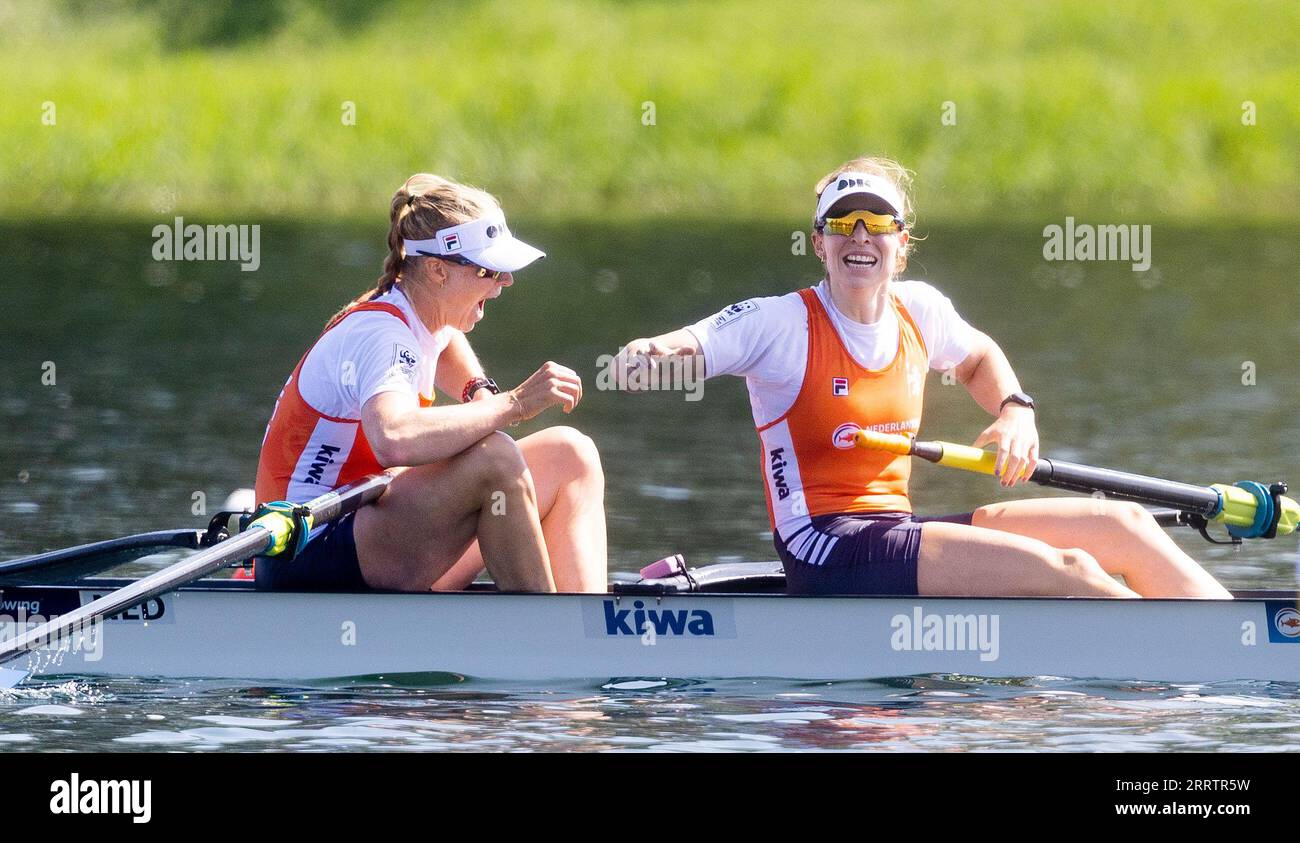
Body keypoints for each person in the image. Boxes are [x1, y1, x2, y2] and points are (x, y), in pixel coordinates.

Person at [617, 156, 1230, 599]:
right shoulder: (782, 323)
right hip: (824, 544)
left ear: (901, 246)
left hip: (894, 529)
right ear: (819, 244)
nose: (860, 235)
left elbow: (977, 357)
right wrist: (646, 351)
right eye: (843, 223)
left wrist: (1016, 409)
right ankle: (1189, 661)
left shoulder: (921, 309)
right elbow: (692, 342)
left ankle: (1244, 645)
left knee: (1121, 524)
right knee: (1067, 568)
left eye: (878, 223)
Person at [254, 173, 607, 593]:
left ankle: (587, 625)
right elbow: (394, 437)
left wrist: (479, 391)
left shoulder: (418, 310)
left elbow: (444, 341)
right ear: (438, 270)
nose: (504, 282)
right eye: (487, 270)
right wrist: (513, 405)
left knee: (571, 454)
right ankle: (547, 635)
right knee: (495, 457)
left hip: (368, 532)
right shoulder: (383, 336)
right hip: (307, 549)